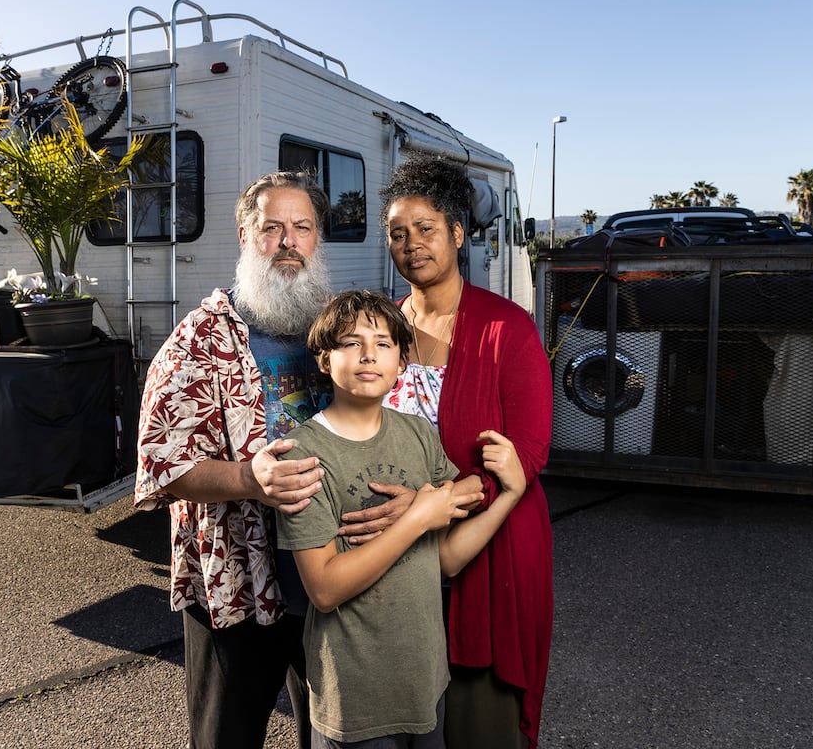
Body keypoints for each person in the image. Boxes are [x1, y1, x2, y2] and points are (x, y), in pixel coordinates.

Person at [347, 156, 555, 749]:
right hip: (397, 553)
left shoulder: (507, 328)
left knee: (476, 722)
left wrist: (439, 501)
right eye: (398, 233)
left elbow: (530, 450)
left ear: (458, 234)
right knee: (405, 717)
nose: (411, 244)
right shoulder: (384, 329)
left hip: (489, 549)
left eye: (426, 229)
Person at [134, 171, 335, 749]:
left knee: (330, 734)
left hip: (327, 582)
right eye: (272, 228)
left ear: (317, 238)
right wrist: (250, 478)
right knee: (227, 736)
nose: (288, 242)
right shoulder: (200, 340)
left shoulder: (339, 328)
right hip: (236, 584)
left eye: (302, 227)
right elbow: (162, 464)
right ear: (245, 235)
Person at [277, 290, 526, 747]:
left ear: (401, 362)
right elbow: (325, 590)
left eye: (383, 343)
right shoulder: (303, 455)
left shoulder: (417, 435)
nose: (369, 354)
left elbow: (447, 557)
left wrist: (511, 494)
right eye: (351, 343)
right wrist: (416, 517)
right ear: (324, 360)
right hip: (355, 699)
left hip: (425, 684)